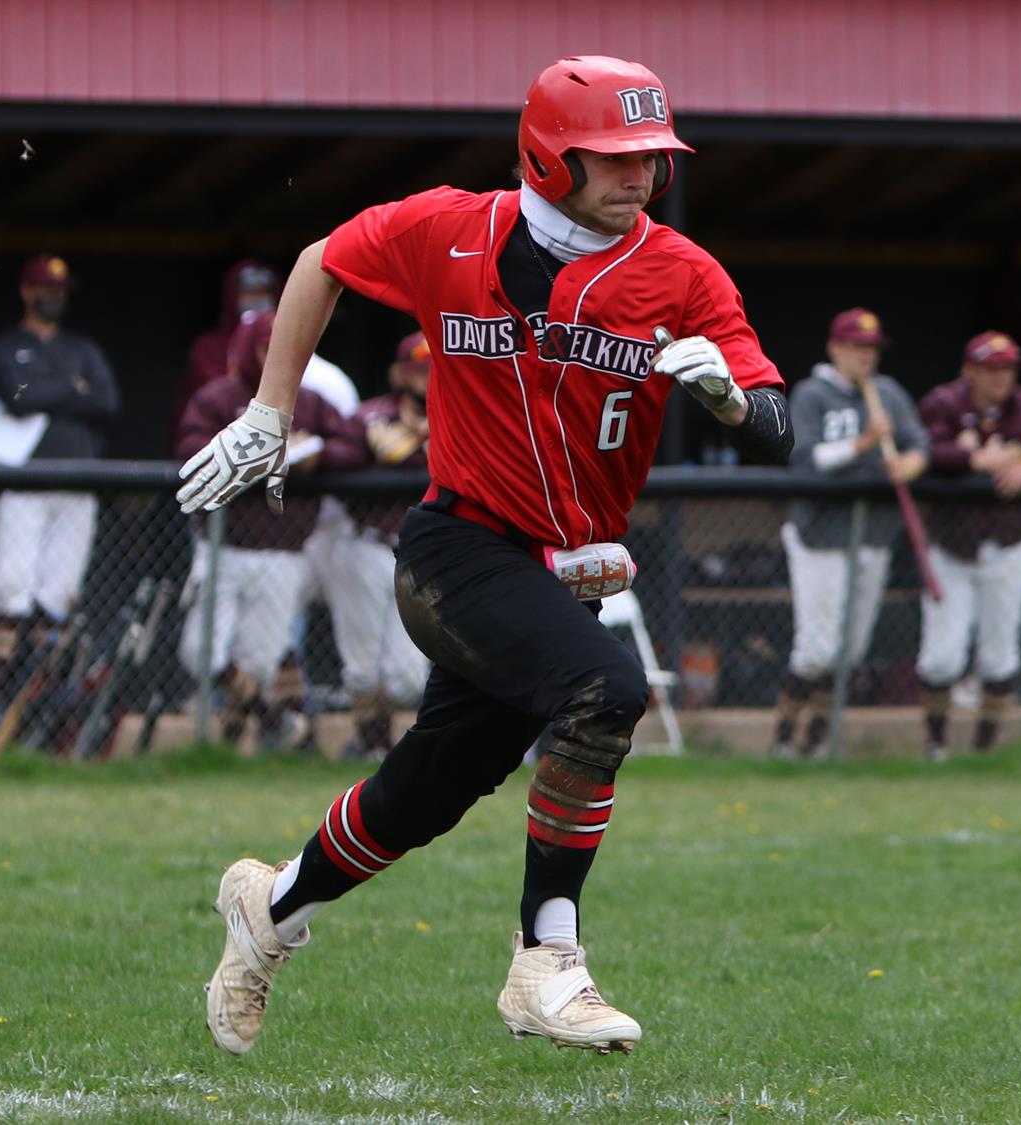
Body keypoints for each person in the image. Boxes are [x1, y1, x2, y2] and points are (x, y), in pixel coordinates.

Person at [175, 55, 791, 1056]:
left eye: (653, 156)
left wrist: (728, 400)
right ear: (549, 156)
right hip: (456, 547)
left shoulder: (681, 272)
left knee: (429, 787)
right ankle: (547, 958)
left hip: (560, 574)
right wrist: (267, 411)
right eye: (616, 155)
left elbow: (777, 429)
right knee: (608, 690)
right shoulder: (449, 228)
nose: (641, 174)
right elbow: (321, 259)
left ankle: (269, 908)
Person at [177, 312, 366, 752]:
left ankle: (232, 744)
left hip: (284, 549)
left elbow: (354, 444)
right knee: (199, 652)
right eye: (265, 347)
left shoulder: (310, 400)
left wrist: (318, 455)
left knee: (260, 660)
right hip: (225, 545)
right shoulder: (220, 396)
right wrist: (253, 452)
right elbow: (189, 447)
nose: (274, 357)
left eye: (282, 347)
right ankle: (271, 718)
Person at [772, 309, 928, 759]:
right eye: (858, 347)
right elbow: (804, 460)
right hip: (821, 534)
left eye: (872, 348)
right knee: (817, 650)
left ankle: (816, 744)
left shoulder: (888, 393)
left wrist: (911, 463)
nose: (866, 356)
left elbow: (919, 444)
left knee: (849, 653)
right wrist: (863, 444)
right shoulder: (812, 394)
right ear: (835, 348)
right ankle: (783, 740)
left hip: (873, 534)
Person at [916, 331, 1021, 759]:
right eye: (990, 369)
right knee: (942, 657)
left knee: (999, 656)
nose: (1000, 378)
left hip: (1008, 544)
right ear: (969, 371)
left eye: (1007, 369)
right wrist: (970, 459)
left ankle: (984, 752)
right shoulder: (944, 403)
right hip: (952, 545)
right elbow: (923, 450)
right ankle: (935, 744)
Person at [0, 255, 120, 706]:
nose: (54, 298)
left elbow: (106, 400)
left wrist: (46, 389)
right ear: (27, 292)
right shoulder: (6, 346)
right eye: (46, 290)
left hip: (77, 484)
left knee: (60, 592)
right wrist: (70, 388)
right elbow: (16, 395)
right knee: (10, 585)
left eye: (60, 291)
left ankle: (44, 692)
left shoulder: (81, 348)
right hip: (25, 481)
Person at [325, 330, 434, 759]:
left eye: (432, 370)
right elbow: (333, 458)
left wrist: (410, 449)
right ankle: (373, 744)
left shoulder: (459, 414)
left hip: (424, 555)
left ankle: (380, 737)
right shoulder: (371, 415)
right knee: (362, 667)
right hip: (366, 545)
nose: (425, 379)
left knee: (408, 678)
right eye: (417, 371)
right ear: (399, 373)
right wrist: (367, 451)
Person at [174, 258, 359, 431]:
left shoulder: (314, 390)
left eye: (263, 293)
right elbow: (194, 437)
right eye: (249, 293)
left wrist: (315, 447)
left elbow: (345, 436)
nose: (257, 300)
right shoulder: (209, 355)